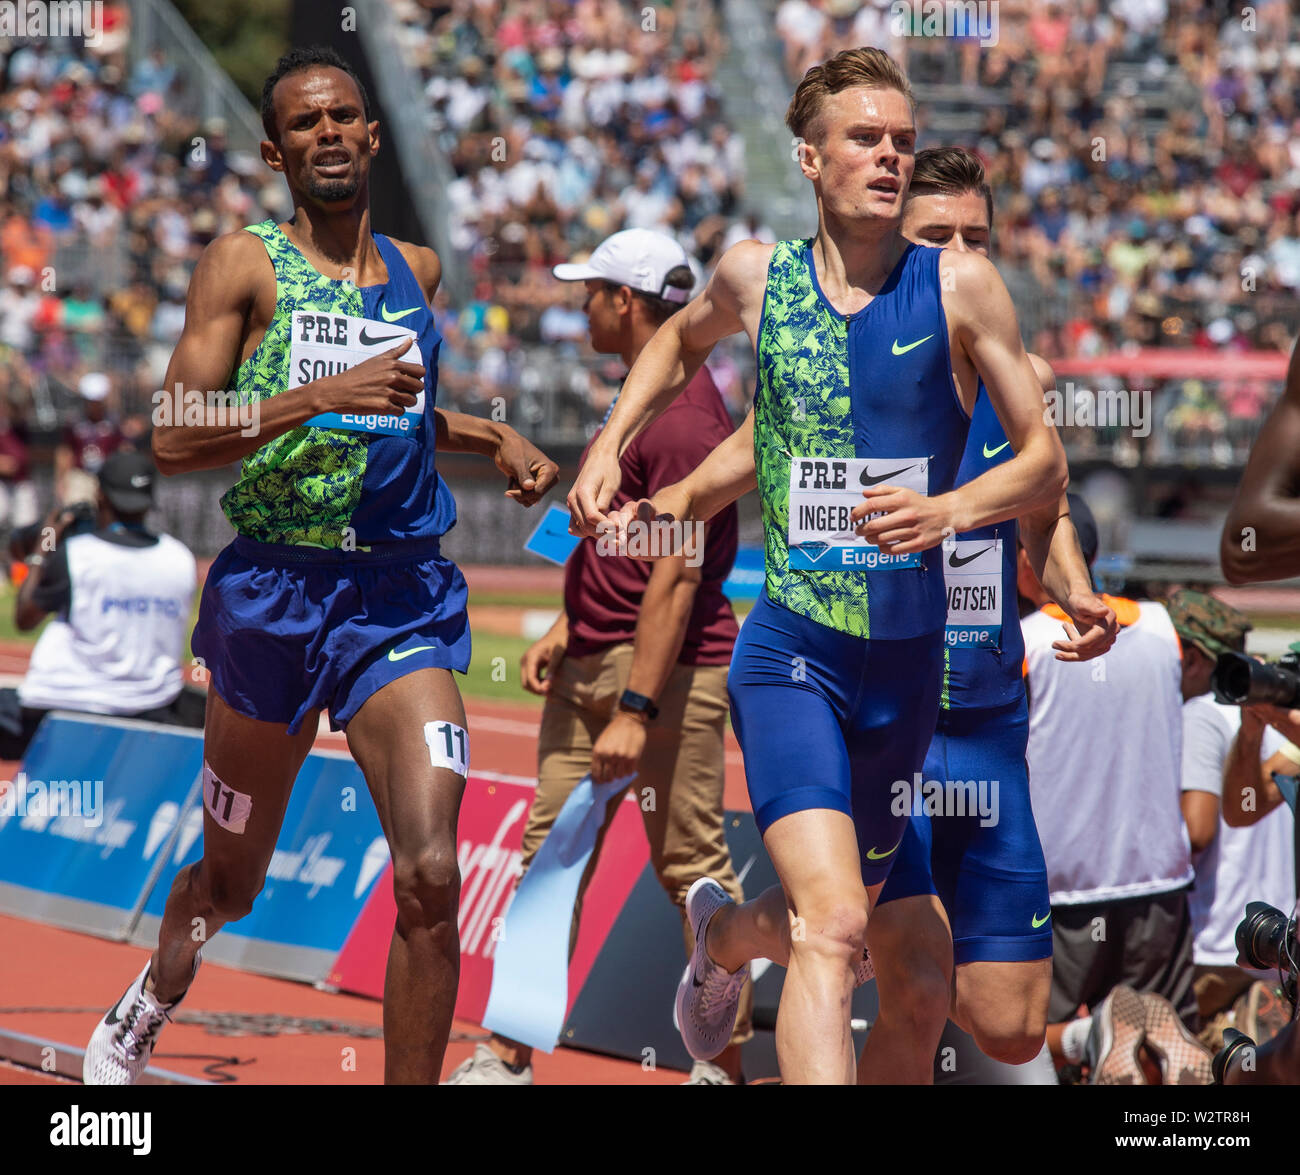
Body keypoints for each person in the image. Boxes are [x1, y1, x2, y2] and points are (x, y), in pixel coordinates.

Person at [573, 48, 1068, 1083]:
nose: (888, 155)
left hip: (906, 676)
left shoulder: (962, 285)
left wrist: (948, 508)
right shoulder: (760, 274)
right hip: (792, 651)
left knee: (824, 923)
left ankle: (715, 938)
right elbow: (675, 344)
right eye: (863, 138)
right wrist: (608, 443)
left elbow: (1040, 460)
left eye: (900, 140)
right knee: (835, 926)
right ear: (809, 156)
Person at [83, 46, 558, 1086]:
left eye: (344, 115)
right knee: (231, 881)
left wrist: (485, 436)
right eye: (305, 124)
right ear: (274, 150)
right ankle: (147, 1000)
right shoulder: (240, 264)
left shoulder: (416, 273)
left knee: (431, 869)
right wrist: (313, 394)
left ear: (373, 133)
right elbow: (172, 432)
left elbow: (401, 416)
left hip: (397, 598)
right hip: (274, 595)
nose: (329, 133)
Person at [445, 229, 753, 1086]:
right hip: (596, 662)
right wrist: (564, 623)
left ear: (626, 302)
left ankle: (721, 1070)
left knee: (690, 868)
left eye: (591, 292)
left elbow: (676, 580)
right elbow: (612, 539)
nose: (579, 306)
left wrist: (637, 707)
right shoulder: (645, 399)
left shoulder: (687, 419)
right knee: (548, 857)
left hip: (665, 676)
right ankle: (507, 1056)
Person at [857, 147, 1117, 1084]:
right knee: (918, 994)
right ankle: (734, 940)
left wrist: (1073, 586)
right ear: (894, 241)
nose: (964, 256)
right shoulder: (861, 371)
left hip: (992, 733)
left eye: (978, 237)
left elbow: (1042, 513)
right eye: (938, 237)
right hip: (892, 728)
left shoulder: (1024, 377)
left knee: (1006, 1025)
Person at [1020, 510, 1208, 1083]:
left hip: (1063, 883)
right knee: (1159, 1040)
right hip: (1158, 879)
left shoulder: (1026, 641)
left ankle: (1089, 1036)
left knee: (1036, 1043)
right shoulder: (1162, 630)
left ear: (1035, 559)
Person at [0, 451, 201, 757]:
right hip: (148, 708)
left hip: (64, 708)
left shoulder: (78, 554)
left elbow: (24, 618)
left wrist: (44, 548)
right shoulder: (180, 558)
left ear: (100, 495)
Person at [1169, 589, 1295, 1050]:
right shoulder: (1276, 711)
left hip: (1215, 940)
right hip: (1273, 935)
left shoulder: (1201, 715)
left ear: (1196, 659)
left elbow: (1197, 830)